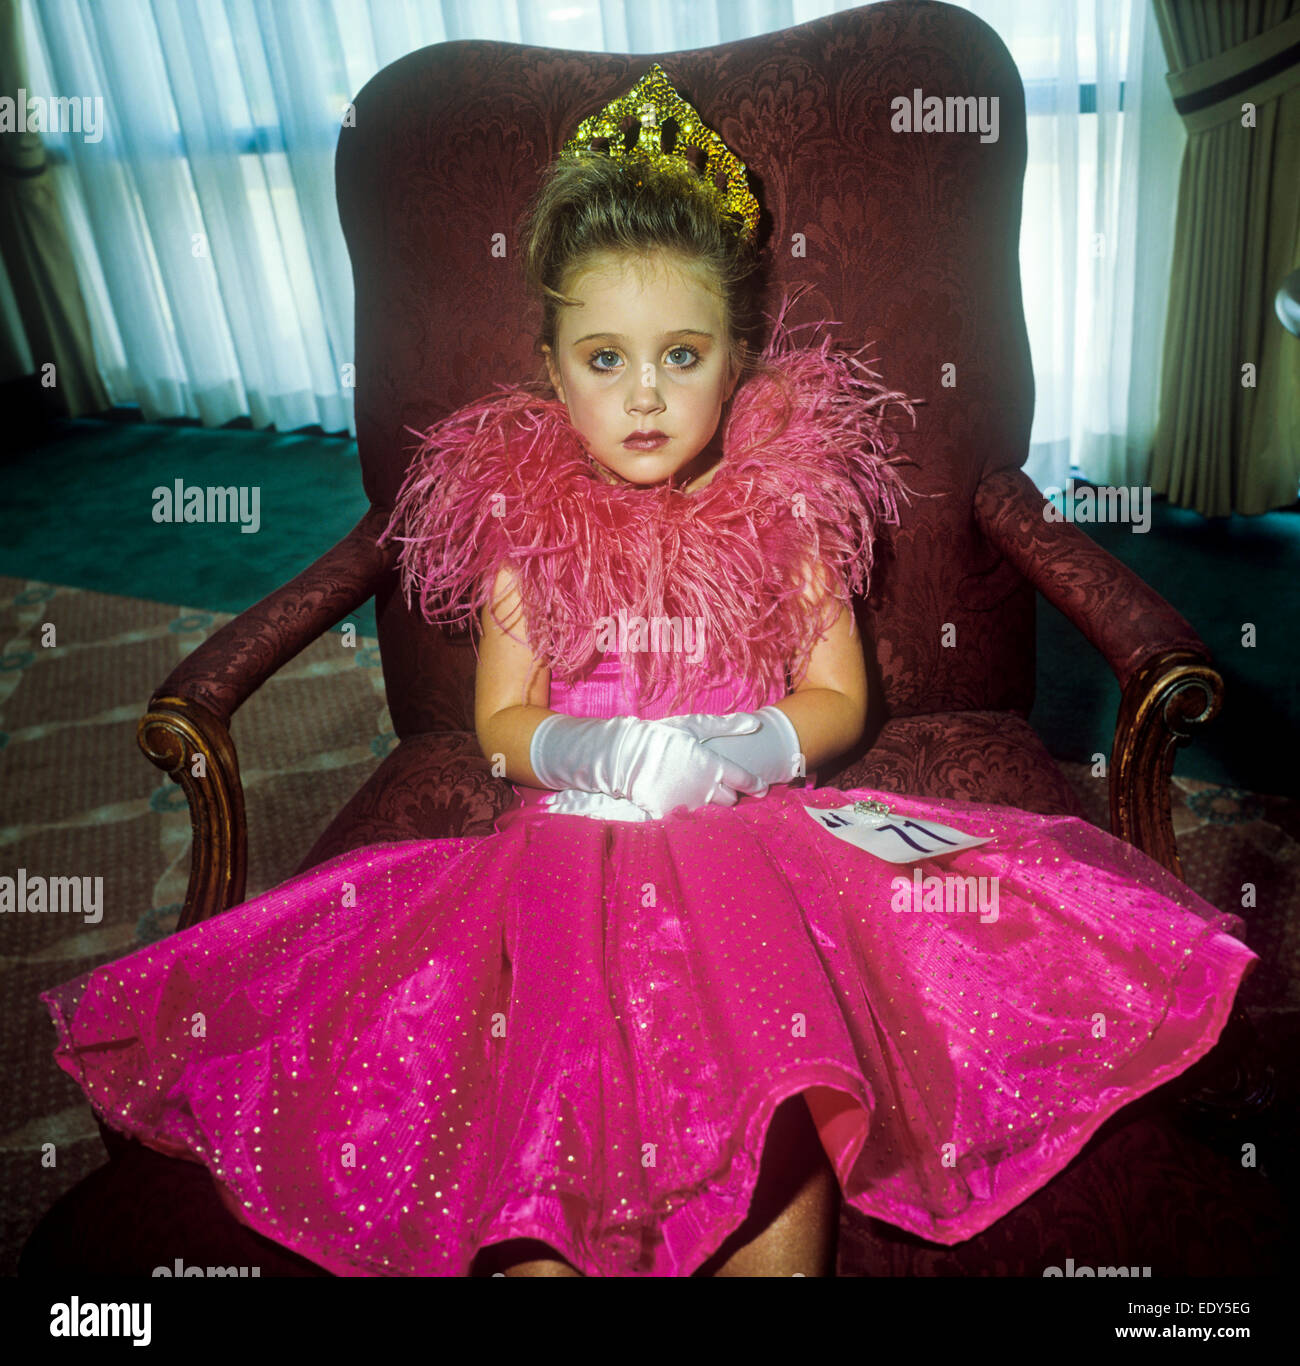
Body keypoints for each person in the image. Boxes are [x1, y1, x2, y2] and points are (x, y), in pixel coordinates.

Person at [39, 65, 1257, 1279]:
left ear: (735, 359)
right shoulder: (523, 518)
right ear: (554, 368)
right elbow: (500, 718)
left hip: (755, 842)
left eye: (681, 354)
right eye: (605, 358)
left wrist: (754, 745)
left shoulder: (789, 513)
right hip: (566, 849)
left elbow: (841, 695)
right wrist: (587, 747)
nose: (644, 395)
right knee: (539, 1126)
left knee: (777, 1107)